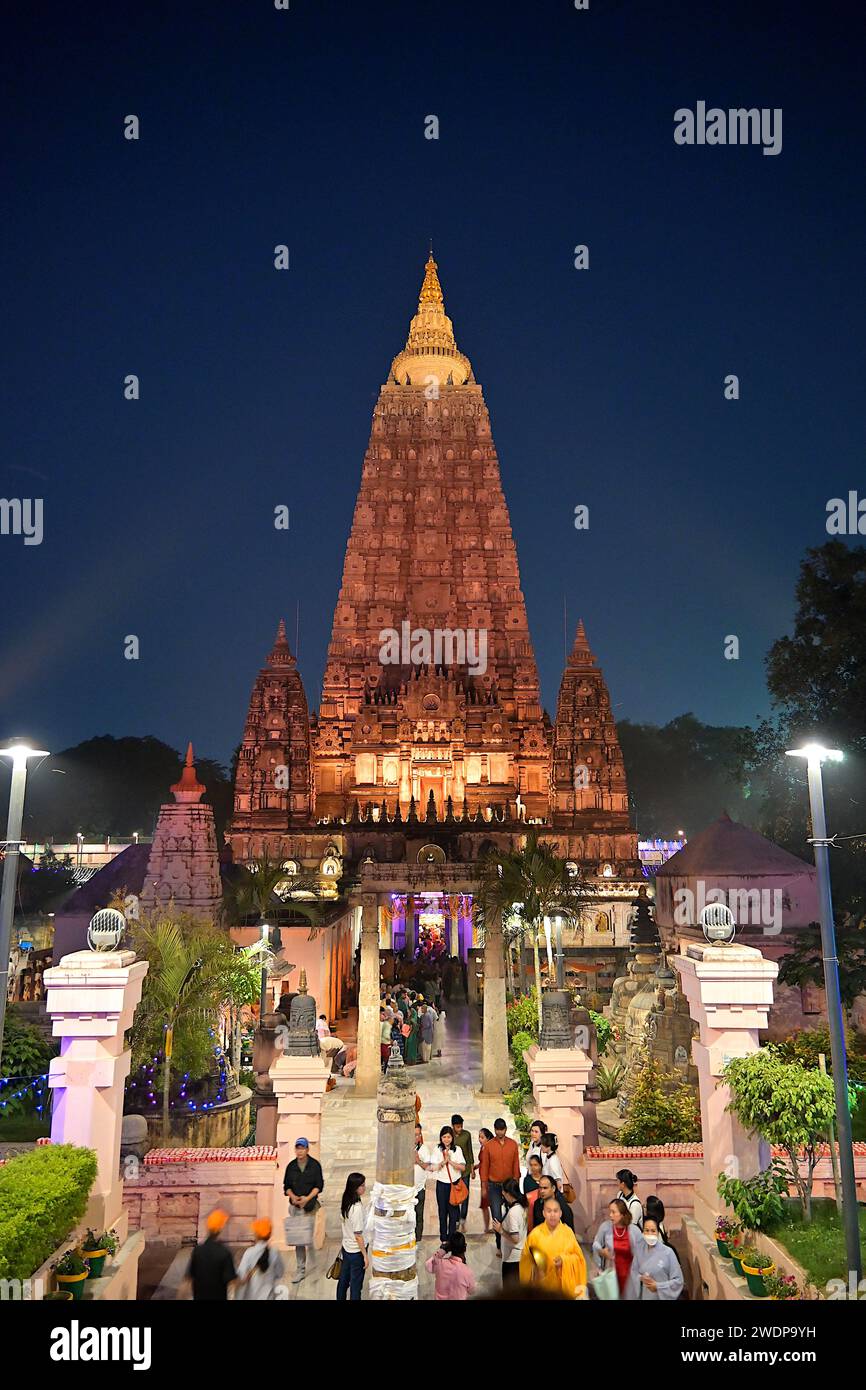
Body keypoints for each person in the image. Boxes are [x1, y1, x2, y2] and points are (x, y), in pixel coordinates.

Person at [519, 1195, 587, 1298]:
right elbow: (525, 1261)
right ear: (543, 1213)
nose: (552, 1215)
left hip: (563, 1289)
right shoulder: (535, 1235)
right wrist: (535, 1270)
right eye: (549, 1211)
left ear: (560, 1213)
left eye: (555, 1211)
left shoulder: (568, 1232)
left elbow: (579, 1259)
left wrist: (564, 1261)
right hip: (542, 1289)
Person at [283, 1137, 324, 1284]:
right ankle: (301, 1269)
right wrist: (293, 1197)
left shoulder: (314, 1165)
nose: (300, 1151)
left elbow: (319, 1185)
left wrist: (307, 1199)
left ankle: (314, 1264)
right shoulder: (291, 1166)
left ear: (307, 1149)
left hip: (309, 1207)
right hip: (295, 1207)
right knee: (299, 1240)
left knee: (307, 1238)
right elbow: (286, 1186)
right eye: (297, 1148)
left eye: (302, 1148)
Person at [479, 1118, 520, 1255]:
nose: (499, 1132)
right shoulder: (489, 1146)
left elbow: (516, 1165)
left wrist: (516, 1183)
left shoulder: (513, 1145)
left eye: (501, 1129)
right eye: (497, 1130)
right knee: (496, 1215)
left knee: (512, 1214)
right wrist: (484, 1187)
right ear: (495, 1129)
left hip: (509, 1186)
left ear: (505, 1129)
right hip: (494, 1186)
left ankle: (511, 1241)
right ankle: (499, 1245)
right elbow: (484, 1167)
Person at [592, 1199, 645, 1300]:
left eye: (613, 1212)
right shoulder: (605, 1227)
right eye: (609, 1212)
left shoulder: (634, 1230)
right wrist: (601, 1251)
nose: (610, 1215)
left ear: (622, 1214)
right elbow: (596, 1243)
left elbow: (643, 1252)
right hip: (612, 1274)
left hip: (630, 1275)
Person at [185, 1209, 236, 1300]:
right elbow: (231, 1281)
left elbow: (189, 1278)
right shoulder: (225, 1253)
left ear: (207, 1228)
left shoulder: (197, 1250)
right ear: (221, 1229)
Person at [428, 1124, 466, 1243]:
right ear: (441, 1138)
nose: (446, 1139)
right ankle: (444, 1238)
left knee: (453, 1213)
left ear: (452, 1138)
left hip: (454, 1184)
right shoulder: (437, 1150)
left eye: (448, 1137)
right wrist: (443, 1162)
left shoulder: (457, 1149)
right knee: (442, 1212)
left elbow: (462, 1167)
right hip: (442, 1185)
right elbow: (433, 1167)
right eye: (444, 1137)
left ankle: (452, 1238)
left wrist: (450, 1161)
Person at [336, 1172, 369, 1301]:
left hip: (346, 1248)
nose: (364, 1187)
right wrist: (365, 1256)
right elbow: (358, 1235)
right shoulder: (357, 1208)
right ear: (355, 1187)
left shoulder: (346, 1201)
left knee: (343, 1281)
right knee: (356, 1286)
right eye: (361, 1185)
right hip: (356, 1252)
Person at [235, 1218, 285, 1301]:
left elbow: (241, 1276)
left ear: (256, 1235)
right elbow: (280, 1273)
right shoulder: (275, 1252)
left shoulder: (249, 1252)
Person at [635, 1216, 683, 1301]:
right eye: (646, 1230)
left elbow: (678, 1281)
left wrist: (658, 1286)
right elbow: (633, 1273)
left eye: (653, 1231)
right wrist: (640, 1278)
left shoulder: (668, 1252)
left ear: (658, 1232)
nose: (649, 1234)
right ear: (643, 1232)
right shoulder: (639, 1251)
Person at [493, 1178, 528, 1285]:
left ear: (508, 1193)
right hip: (520, 1256)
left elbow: (515, 1239)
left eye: (503, 1192)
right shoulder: (522, 1206)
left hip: (512, 1259)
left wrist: (500, 1230)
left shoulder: (513, 1212)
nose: (502, 1194)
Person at [425, 1232, 477, 1300]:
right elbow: (472, 1291)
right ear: (465, 1248)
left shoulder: (440, 1264)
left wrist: (443, 1250)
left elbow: (428, 1265)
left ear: (449, 1248)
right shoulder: (467, 1272)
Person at [451, 1114, 474, 1230]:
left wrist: (472, 1168)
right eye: (457, 1127)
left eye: (461, 1126)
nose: (459, 1129)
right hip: (454, 1171)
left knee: (465, 1195)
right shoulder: (449, 1136)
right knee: (455, 1195)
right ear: (453, 1126)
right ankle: (455, 1218)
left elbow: (469, 1152)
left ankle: (462, 1218)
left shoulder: (467, 1135)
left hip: (465, 1171)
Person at [414, 1122, 434, 1244]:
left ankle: (418, 1239)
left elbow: (427, 1166)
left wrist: (418, 1160)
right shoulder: (403, 1147)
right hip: (406, 1189)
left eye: (418, 1135)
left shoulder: (424, 1149)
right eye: (414, 1135)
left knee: (418, 1215)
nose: (416, 1137)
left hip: (419, 1188)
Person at [475, 1128, 494, 1233]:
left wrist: (484, 1186)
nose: (480, 1139)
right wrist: (477, 1166)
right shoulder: (483, 1147)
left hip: (487, 1181)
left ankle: (491, 1226)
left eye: (482, 1137)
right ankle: (487, 1227)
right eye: (479, 1137)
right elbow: (482, 1162)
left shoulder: (489, 1149)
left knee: (488, 1204)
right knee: (485, 1205)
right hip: (484, 1180)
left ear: (488, 1138)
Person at [521, 1154, 545, 1223]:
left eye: (535, 1165)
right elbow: (526, 1197)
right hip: (532, 1211)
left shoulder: (545, 1179)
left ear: (540, 1165)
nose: (533, 1167)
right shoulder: (527, 1180)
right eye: (531, 1165)